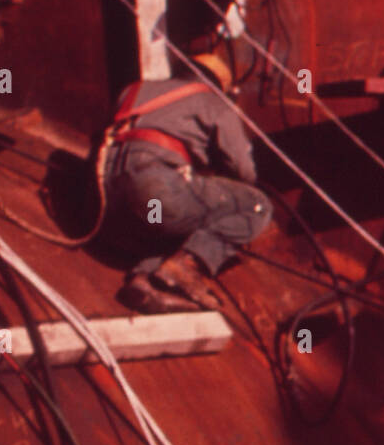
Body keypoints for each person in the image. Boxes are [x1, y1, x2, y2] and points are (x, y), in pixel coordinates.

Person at [101, 53, 273, 313]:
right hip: (151, 196)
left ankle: (144, 281)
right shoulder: (213, 101)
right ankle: (188, 265)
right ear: (217, 85)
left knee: (173, 218)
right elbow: (244, 172)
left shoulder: (135, 89)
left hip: (107, 207)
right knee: (257, 205)